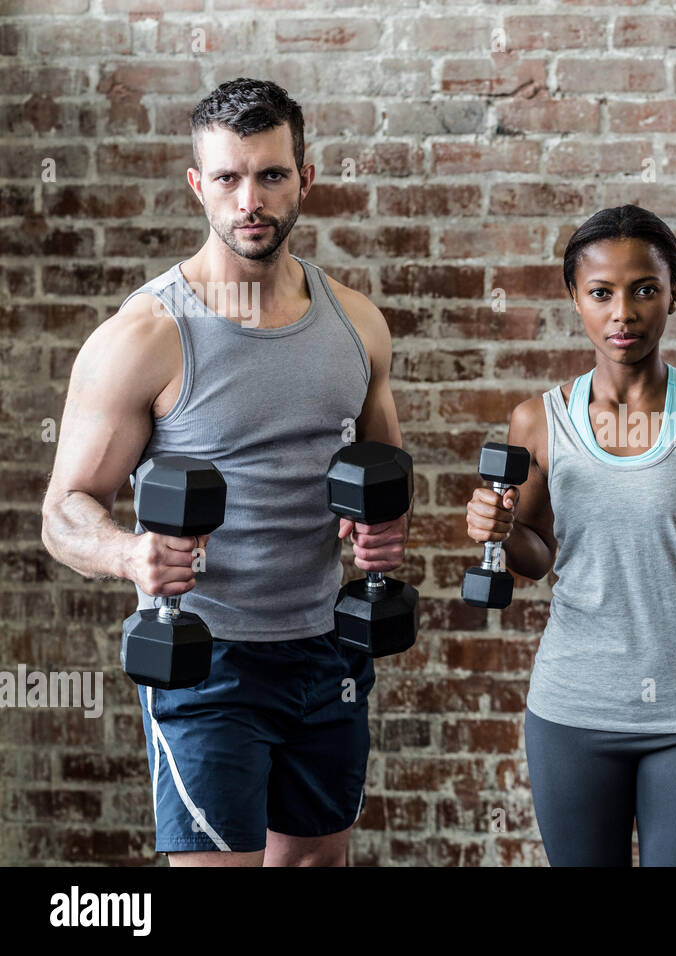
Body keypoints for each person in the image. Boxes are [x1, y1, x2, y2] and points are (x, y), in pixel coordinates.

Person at [40, 78, 407, 866]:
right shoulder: (146, 335)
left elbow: (385, 470)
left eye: (271, 175)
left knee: (315, 862)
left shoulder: (358, 326)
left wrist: (380, 525)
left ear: (305, 180)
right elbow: (64, 509)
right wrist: (128, 553)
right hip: (204, 659)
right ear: (197, 185)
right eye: (230, 178)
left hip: (325, 647)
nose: (251, 200)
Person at [465, 205, 676, 866]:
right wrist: (501, 529)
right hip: (574, 707)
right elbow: (537, 555)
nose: (623, 313)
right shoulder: (538, 420)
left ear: (674, 293)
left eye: (645, 290)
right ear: (575, 299)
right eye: (601, 293)